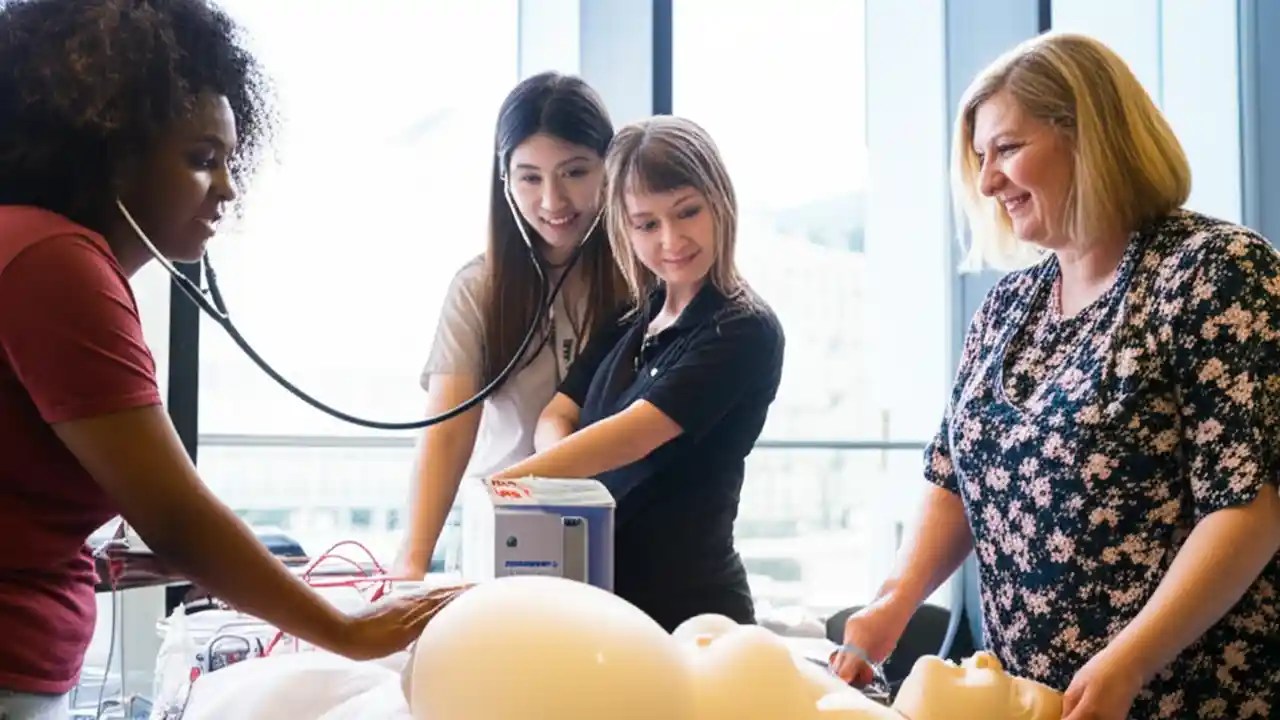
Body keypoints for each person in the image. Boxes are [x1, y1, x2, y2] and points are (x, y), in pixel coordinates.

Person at [0, 1, 460, 715]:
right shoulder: (57, 264)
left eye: (229, 162)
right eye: (201, 159)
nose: (227, 189)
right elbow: (177, 519)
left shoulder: (26, 244)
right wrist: (350, 631)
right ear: (112, 148)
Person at [829, 32, 1280, 720]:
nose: (986, 182)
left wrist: (1130, 658)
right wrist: (895, 600)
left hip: (1189, 697)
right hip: (1039, 702)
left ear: (1093, 136)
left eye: (1007, 150)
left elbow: (1249, 505)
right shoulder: (1008, 306)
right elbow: (954, 476)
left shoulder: (1216, 272)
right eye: (980, 159)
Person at [493, 116, 786, 633]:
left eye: (687, 212)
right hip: (608, 603)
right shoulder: (637, 312)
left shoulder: (742, 330)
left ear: (720, 202)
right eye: (647, 224)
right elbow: (558, 411)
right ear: (624, 229)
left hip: (691, 613)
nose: (671, 239)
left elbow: (631, 437)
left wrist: (505, 489)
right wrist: (559, 482)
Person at [394, 72, 628, 579]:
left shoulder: (640, 284)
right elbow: (448, 438)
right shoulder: (479, 288)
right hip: (506, 536)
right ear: (504, 180)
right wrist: (410, 568)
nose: (553, 201)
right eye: (530, 178)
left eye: (574, 172)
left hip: (622, 539)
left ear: (610, 170)